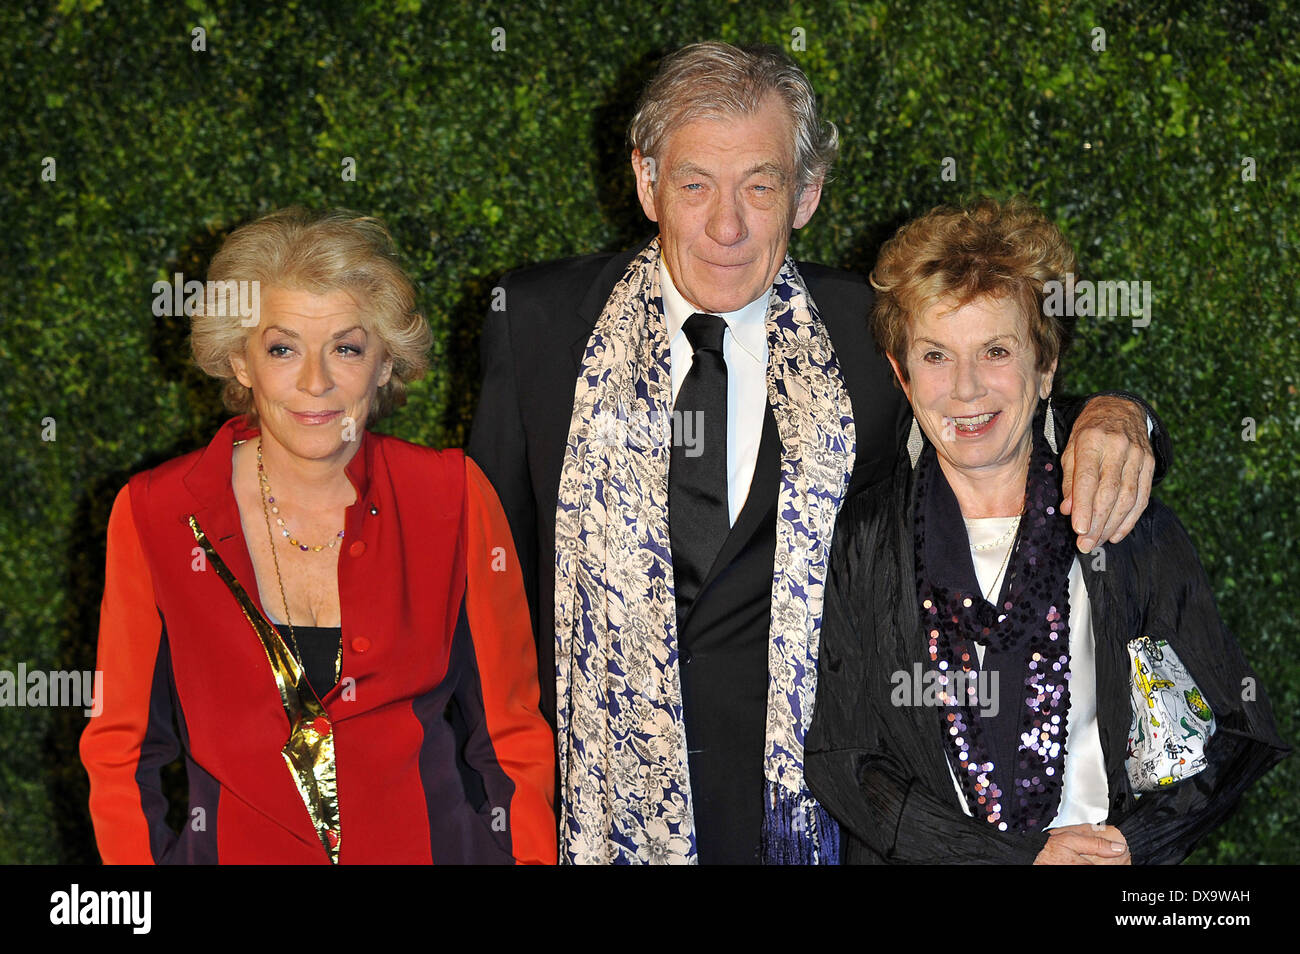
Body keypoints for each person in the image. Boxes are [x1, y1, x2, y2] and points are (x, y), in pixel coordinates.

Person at [469, 42, 1167, 865]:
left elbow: (996, 405)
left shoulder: (869, 336)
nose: (726, 226)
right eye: (695, 185)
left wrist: (1120, 417)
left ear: (806, 194)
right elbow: (485, 572)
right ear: (646, 182)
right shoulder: (539, 323)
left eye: (760, 186)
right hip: (591, 813)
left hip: (821, 821)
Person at [805, 197, 1288, 864]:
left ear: (1046, 366)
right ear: (901, 373)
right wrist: (1013, 859)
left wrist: (1134, 843)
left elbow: (1232, 728)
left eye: (996, 351)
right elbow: (843, 758)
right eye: (936, 355)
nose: (966, 389)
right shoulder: (864, 534)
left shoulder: (1121, 520)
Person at [80, 208, 556, 864]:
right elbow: (120, 753)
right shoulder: (154, 514)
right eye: (283, 349)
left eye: (346, 347)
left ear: (384, 363)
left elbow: (511, 741)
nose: (315, 382)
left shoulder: (453, 497)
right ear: (239, 361)